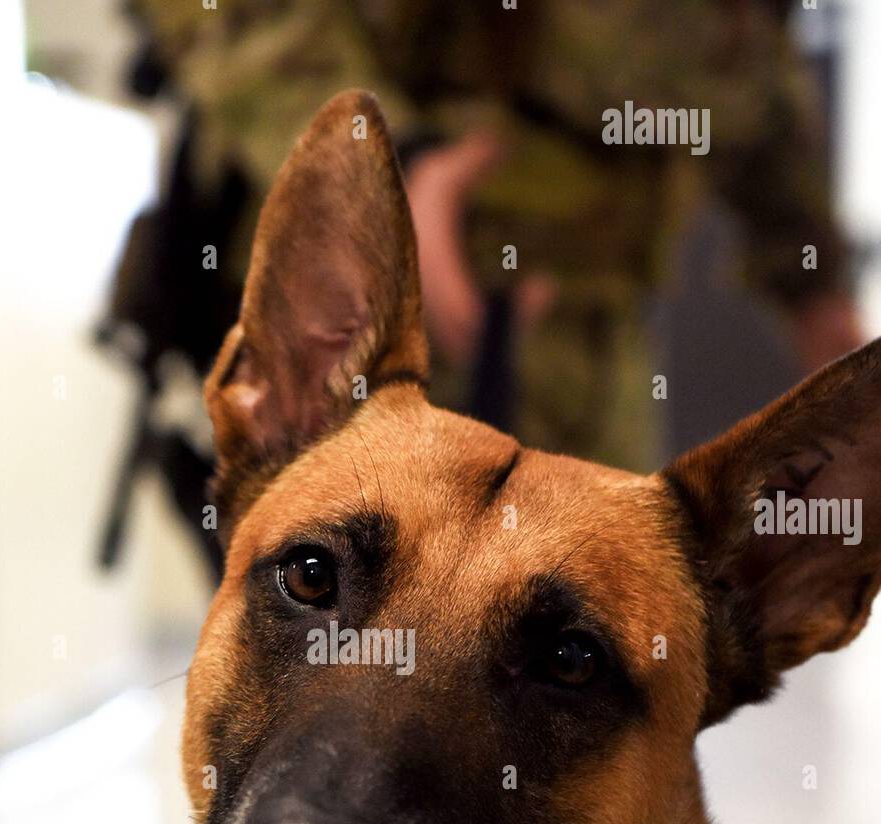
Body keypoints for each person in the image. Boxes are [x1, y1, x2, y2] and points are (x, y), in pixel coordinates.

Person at [100, 0, 862, 570]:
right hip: (393, 310)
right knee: (363, 659)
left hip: (595, 320)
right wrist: (392, 172)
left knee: (568, 663)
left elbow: (751, 72)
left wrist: (815, 286)